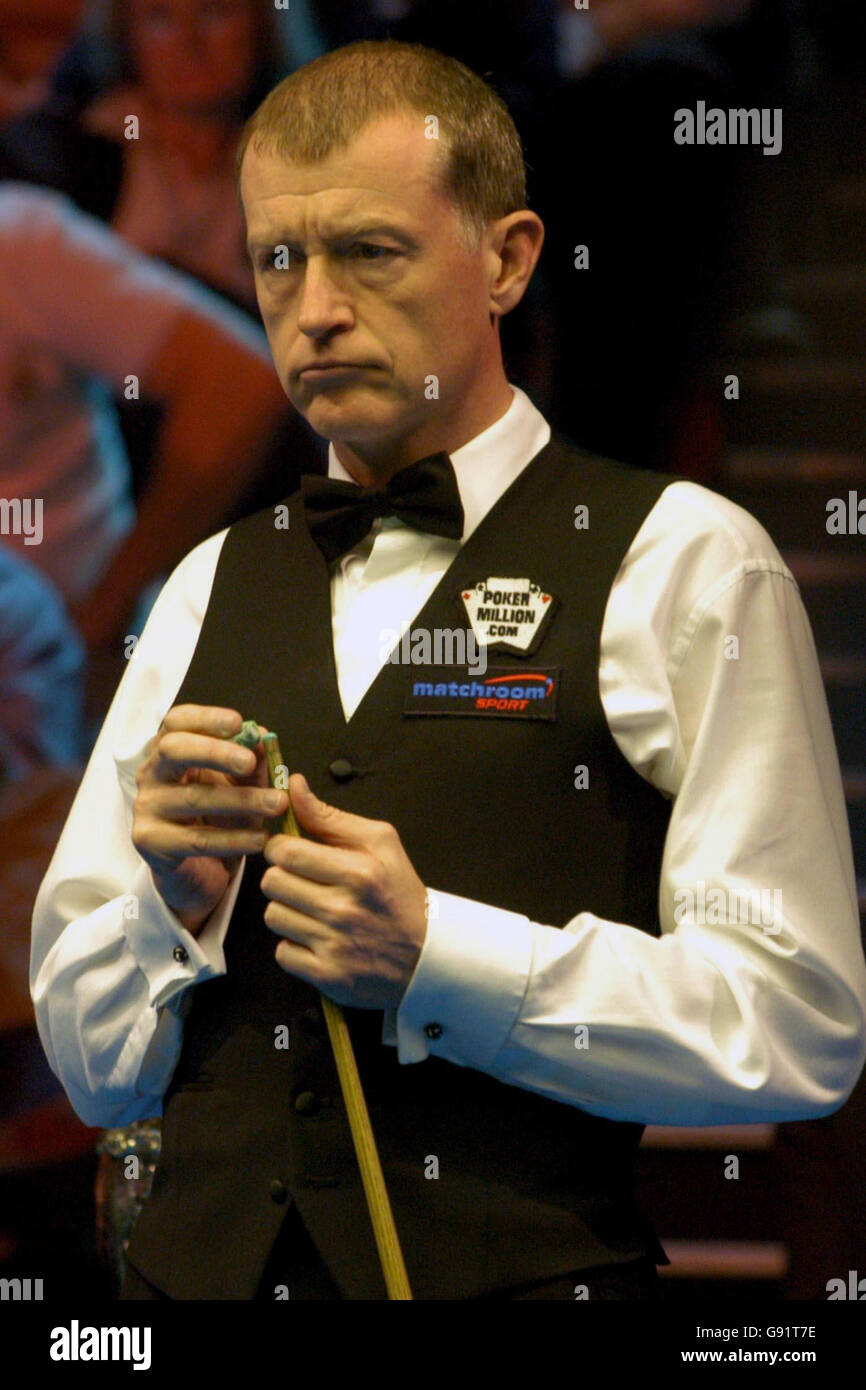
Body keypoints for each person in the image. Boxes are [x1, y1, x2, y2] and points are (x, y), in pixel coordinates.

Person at [30, 39, 866, 1301]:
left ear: (507, 258)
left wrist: (439, 954)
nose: (311, 308)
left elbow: (794, 1021)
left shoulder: (684, 560)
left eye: (368, 251)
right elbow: (96, 1072)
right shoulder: (206, 582)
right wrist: (169, 906)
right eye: (275, 259)